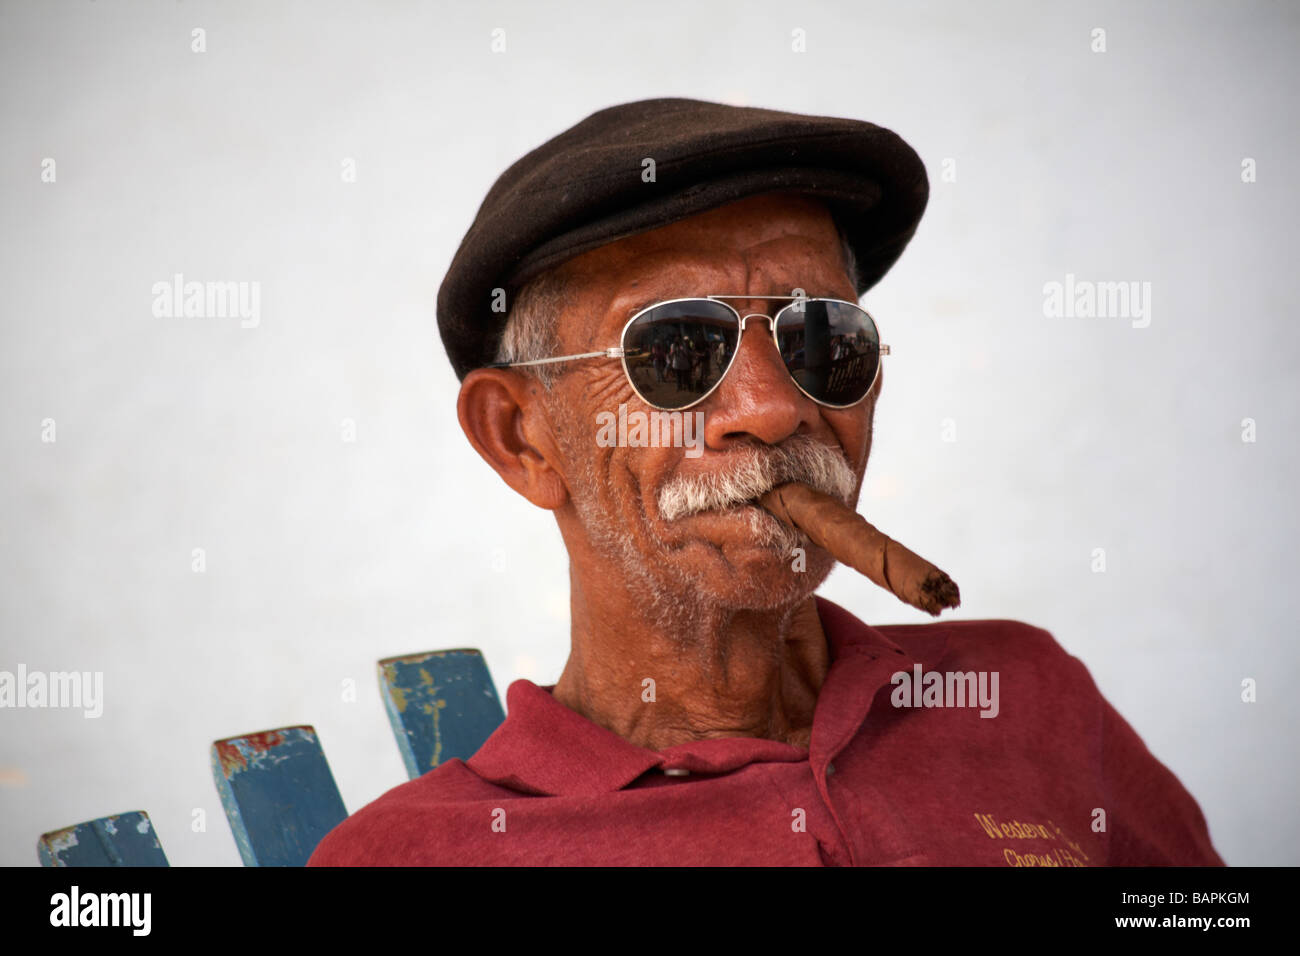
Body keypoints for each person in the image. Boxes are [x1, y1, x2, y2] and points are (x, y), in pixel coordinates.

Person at [308, 98, 1224, 866]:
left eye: (820, 339)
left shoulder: (1028, 694)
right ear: (523, 441)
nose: (773, 406)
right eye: (676, 351)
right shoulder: (417, 856)